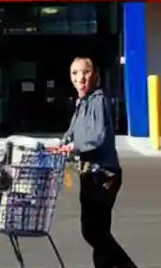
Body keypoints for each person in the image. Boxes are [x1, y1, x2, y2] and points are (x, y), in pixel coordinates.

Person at [51, 56, 138, 268]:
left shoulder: (98, 99)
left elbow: (97, 136)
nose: (79, 78)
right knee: (97, 232)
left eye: (85, 72)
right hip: (90, 175)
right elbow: (71, 134)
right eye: (74, 73)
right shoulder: (82, 102)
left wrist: (72, 147)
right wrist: (58, 146)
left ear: (95, 75)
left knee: (94, 232)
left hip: (103, 175)